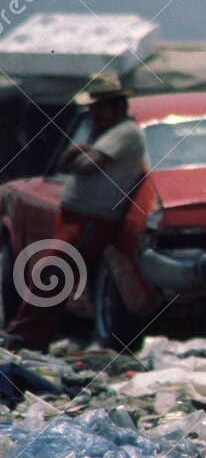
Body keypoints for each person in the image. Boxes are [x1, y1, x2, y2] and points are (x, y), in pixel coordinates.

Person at [3, 73, 148, 350]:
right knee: (50, 273)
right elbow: (67, 160)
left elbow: (85, 165)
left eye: (99, 106)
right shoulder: (103, 134)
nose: (94, 112)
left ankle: (27, 335)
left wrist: (83, 151)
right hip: (77, 214)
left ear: (116, 106)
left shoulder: (125, 133)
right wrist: (82, 150)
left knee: (53, 273)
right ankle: (27, 333)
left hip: (92, 217)